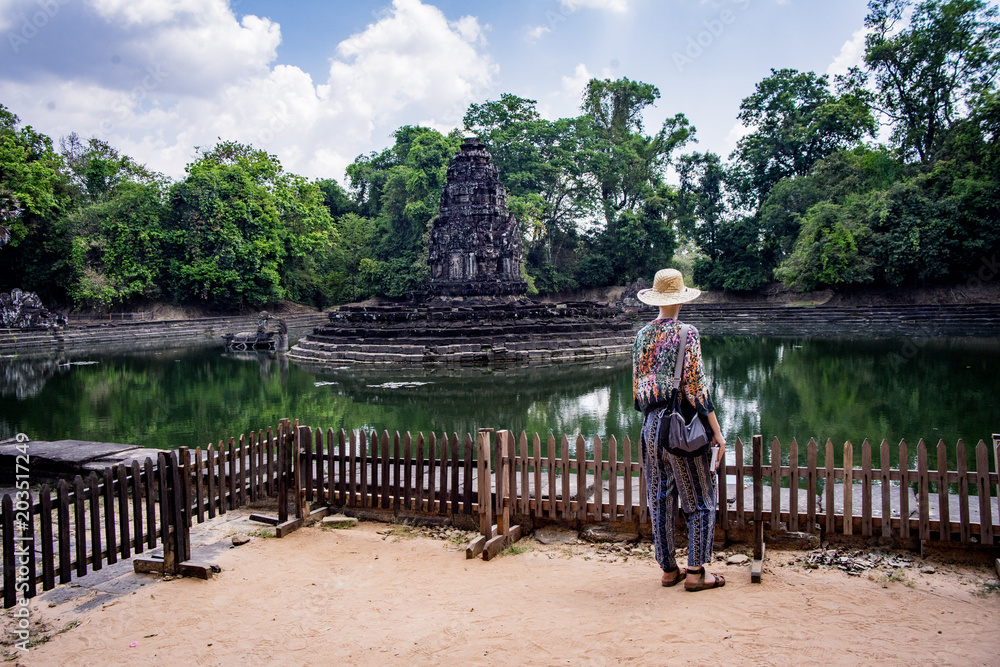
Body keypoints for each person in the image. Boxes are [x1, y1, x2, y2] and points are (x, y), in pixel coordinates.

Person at [633, 268, 727, 591]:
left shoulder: (642, 336)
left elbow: (638, 392)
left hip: (650, 427)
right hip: (680, 427)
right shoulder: (688, 334)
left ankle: (669, 570)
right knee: (700, 497)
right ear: (681, 299)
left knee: (659, 498)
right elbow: (696, 390)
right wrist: (716, 430)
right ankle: (697, 573)